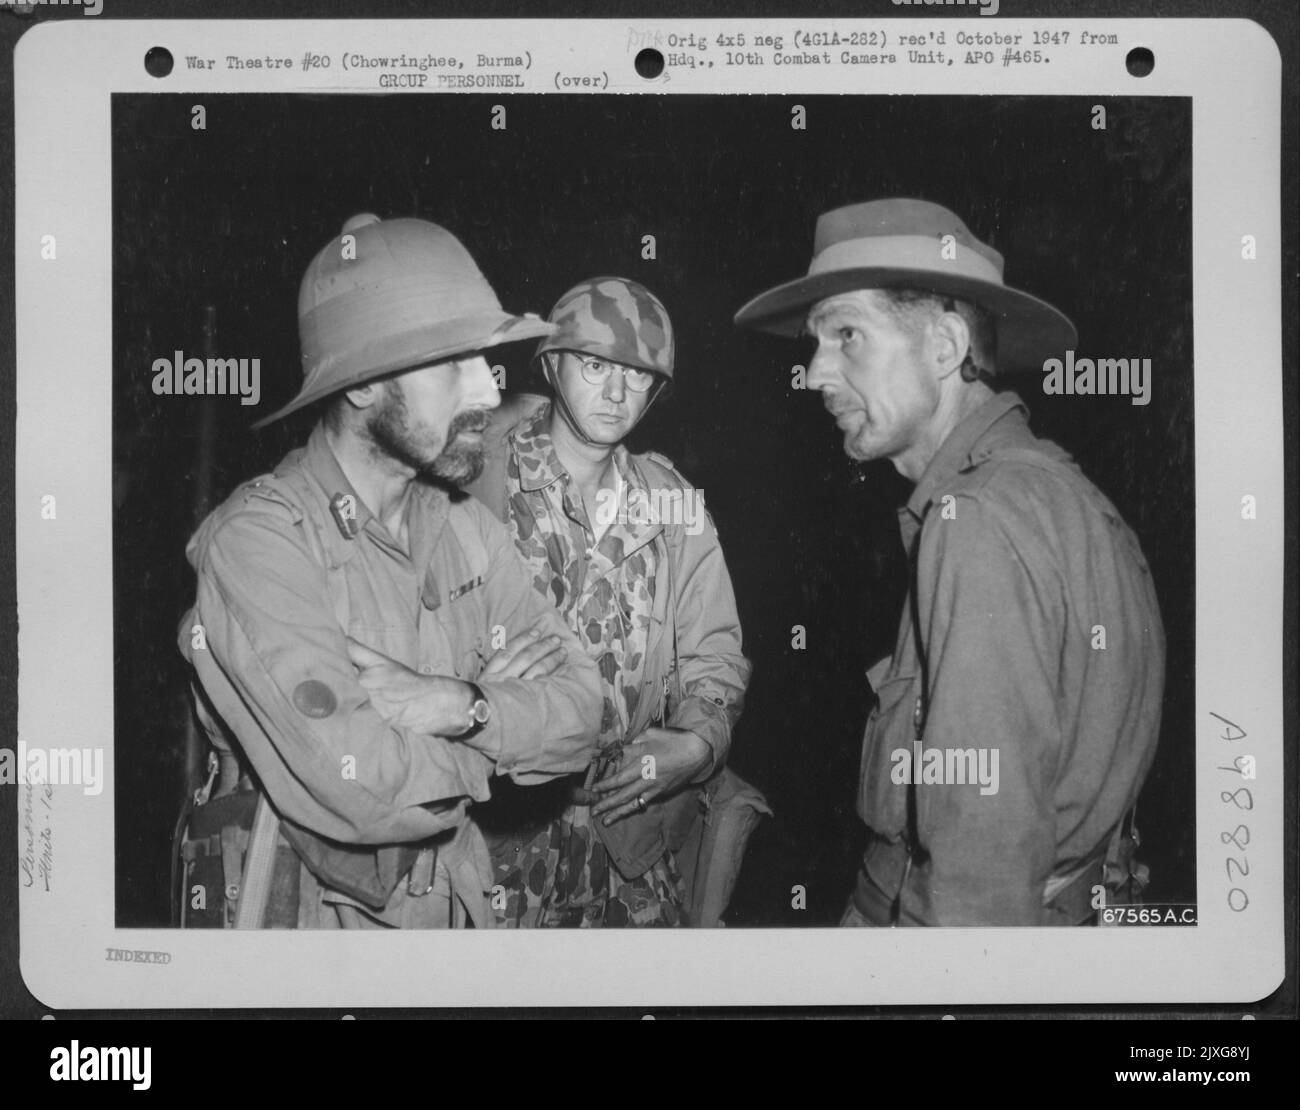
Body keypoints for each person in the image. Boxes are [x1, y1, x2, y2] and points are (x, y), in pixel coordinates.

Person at [734, 198, 1165, 926]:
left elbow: (981, 873)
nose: (814, 375)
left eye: (847, 335)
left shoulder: (977, 521)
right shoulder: (1053, 490)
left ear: (943, 346)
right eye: (815, 342)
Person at [178, 214, 602, 929]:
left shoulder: (463, 528)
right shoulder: (259, 541)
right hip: (301, 931)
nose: (490, 393)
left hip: (451, 918)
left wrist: (451, 704)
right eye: (454, 363)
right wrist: (497, 737)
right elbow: (363, 787)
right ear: (362, 386)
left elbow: (585, 714)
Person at [465, 277, 762, 927]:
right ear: (551, 364)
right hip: (494, 841)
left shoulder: (672, 503)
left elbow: (714, 650)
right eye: (596, 366)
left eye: (637, 374)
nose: (616, 391)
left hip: (630, 842)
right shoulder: (477, 478)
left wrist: (697, 741)